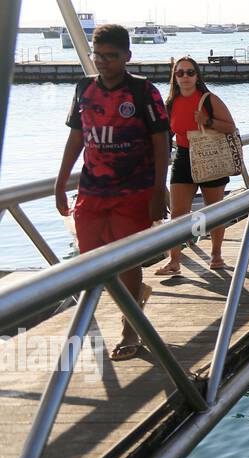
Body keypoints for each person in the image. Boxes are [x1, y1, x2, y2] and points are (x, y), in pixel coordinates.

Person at [55, 24, 169, 361]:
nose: (103, 62)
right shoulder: (84, 89)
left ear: (126, 57)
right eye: (98, 55)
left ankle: (130, 328)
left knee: (126, 261)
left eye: (111, 56)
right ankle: (136, 296)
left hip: (133, 189)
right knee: (91, 262)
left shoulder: (142, 91)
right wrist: (60, 182)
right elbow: (77, 136)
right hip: (92, 188)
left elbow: (161, 141)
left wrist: (158, 190)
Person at [154, 57, 238, 276]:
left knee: (213, 210)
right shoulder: (170, 103)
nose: (185, 77)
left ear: (197, 75)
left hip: (210, 156)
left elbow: (230, 127)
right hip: (183, 158)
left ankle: (216, 255)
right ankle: (174, 261)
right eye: (180, 73)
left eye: (190, 72)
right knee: (179, 214)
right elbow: (164, 136)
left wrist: (207, 121)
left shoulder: (209, 100)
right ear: (174, 77)